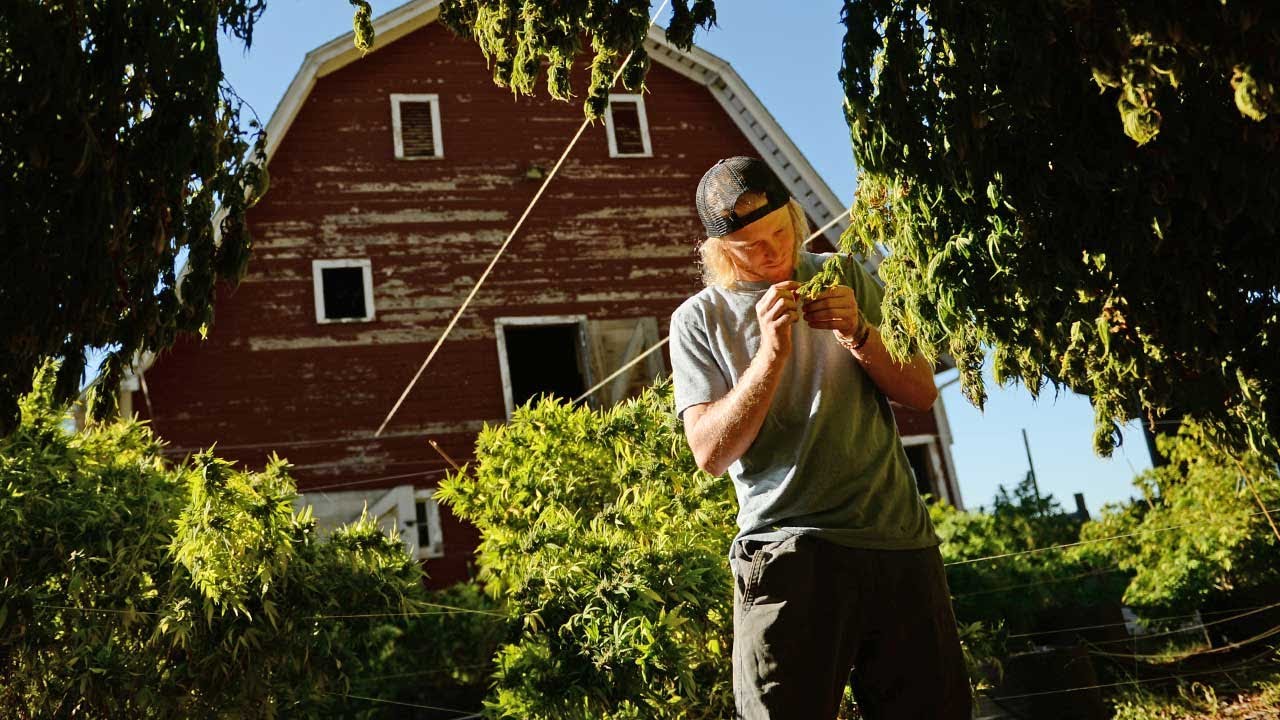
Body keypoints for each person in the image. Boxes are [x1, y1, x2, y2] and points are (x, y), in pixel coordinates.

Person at [668, 157, 971, 719]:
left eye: (780, 233)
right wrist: (770, 355)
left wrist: (859, 332)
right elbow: (709, 453)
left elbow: (921, 391)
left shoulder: (845, 274)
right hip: (786, 552)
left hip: (896, 541)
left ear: (793, 214)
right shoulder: (698, 319)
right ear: (720, 251)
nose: (772, 252)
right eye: (750, 246)